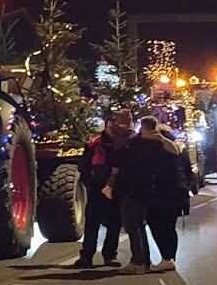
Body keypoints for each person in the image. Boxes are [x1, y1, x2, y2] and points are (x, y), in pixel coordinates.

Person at [107, 116, 176, 274]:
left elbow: (116, 159)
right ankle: (143, 261)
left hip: (132, 190)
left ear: (142, 128)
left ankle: (139, 262)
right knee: (138, 225)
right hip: (147, 189)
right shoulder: (160, 144)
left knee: (133, 225)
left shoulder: (136, 145)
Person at [75, 110, 131, 268]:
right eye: (110, 127)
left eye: (115, 127)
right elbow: (84, 165)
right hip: (97, 190)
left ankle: (110, 255)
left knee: (114, 224)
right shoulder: (95, 145)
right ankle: (87, 256)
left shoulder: (123, 145)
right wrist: (91, 180)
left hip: (115, 190)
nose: (112, 130)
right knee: (92, 224)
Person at [145, 122, 188, 272]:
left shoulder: (159, 149)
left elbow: (154, 170)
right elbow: (188, 170)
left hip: (162, 192)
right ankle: (170, 258)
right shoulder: (179, 148)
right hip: (178, 191)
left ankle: (167, 257)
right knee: (169, 226)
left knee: (156, 223)